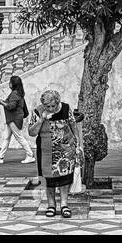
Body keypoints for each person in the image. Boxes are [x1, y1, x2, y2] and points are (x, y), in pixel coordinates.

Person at [26, 90, 79, 218]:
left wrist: (78, 144)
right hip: (46, 150)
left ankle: (64, 204)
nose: (50, 109)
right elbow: (31, 132)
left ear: (58, 102)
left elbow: (73, 125)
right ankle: (51, 205)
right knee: (48, 177)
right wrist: (41, 120)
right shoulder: (38, 112)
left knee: (65, 177)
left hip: (66, 149)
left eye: (53, 106)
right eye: (47, 106)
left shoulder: (66, 109)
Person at [0, 74, 35, 164]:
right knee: (6, 137)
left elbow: (11, 106)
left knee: (19, 137)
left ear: (13, 84)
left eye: (10, 82)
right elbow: (23, 108)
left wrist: (1, 102)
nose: (9, 84)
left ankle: (30, 155)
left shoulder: (14, 94)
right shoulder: (19, 93)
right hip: (13, 119)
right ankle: (0, 157)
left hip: (13, 119)